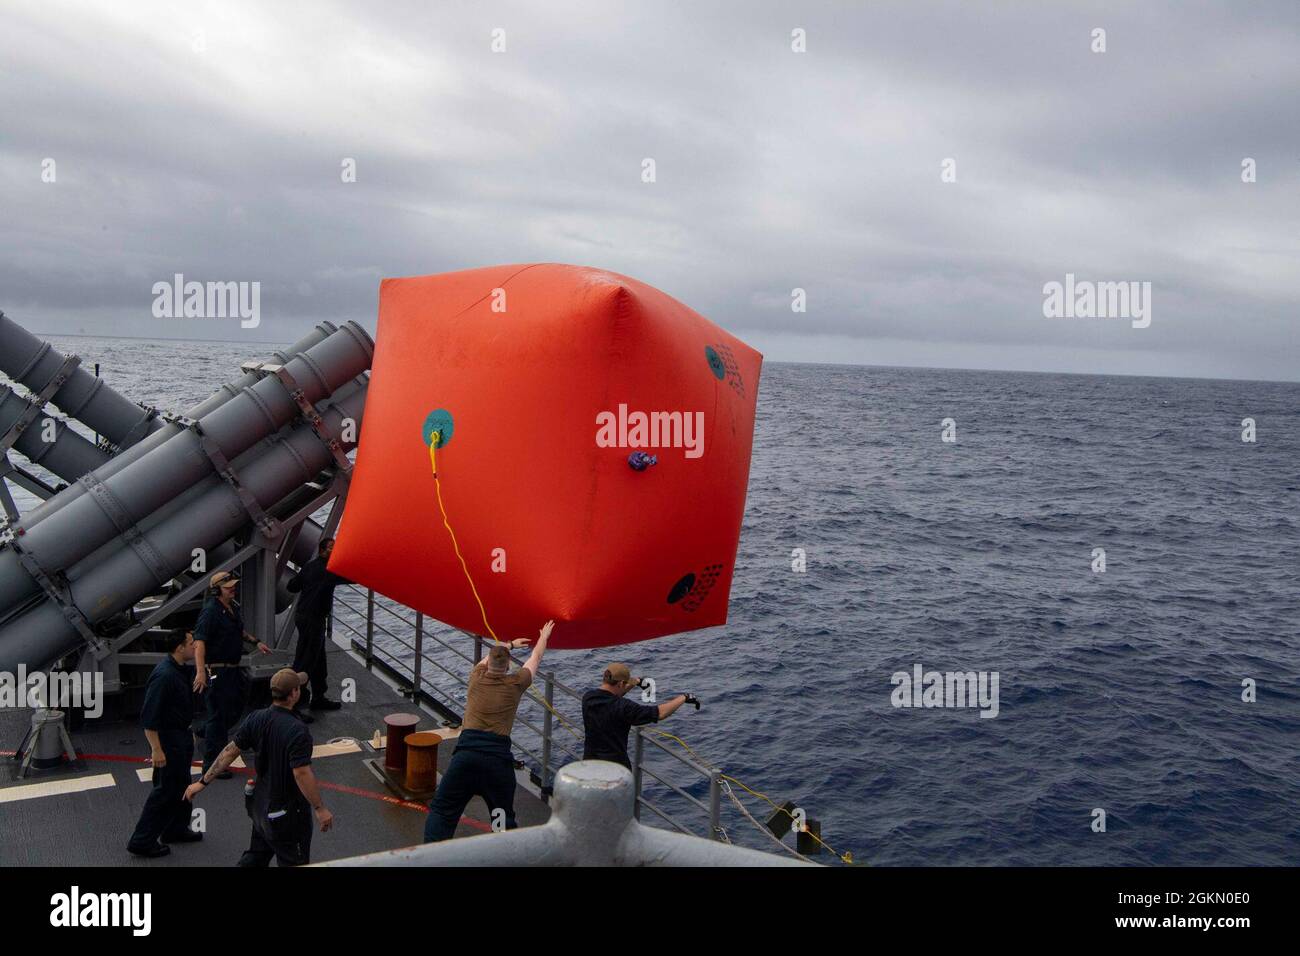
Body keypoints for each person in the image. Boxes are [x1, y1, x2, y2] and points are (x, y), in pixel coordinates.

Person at [185, 669, 333, 867]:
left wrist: (202, 783)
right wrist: (320, 808)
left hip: (260, 804)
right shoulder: (298, 730)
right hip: (288, 813)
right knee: (294, 861)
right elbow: (301, 773)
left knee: (257, 855)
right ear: (294, 693)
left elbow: (229, 751)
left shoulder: (256, 717)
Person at [423, 620, 554, 843]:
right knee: (501, 816)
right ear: (508, 667)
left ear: (488, 663)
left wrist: (509, 645)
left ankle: (431, 853)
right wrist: (543, 636)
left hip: (465, 759)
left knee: (442, 810)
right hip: (497, 764)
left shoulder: (476, 676)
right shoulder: (515, 683)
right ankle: (501, 852)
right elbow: (536, 658)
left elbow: (487, 659)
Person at [126, 628, 204, 858]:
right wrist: (156, 749)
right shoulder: (165, 676)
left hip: (180, 736)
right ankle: (141, 841)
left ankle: (175, 829)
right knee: (165, 791)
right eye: (191, 643)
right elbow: (149, 717)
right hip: (169, 742)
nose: (195, 646)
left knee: (181, 785)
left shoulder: (178, 670)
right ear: (179, 648)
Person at [193, 570, 271, 777]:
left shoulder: (231, 607)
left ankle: (205, 730)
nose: (233, 589)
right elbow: (199, 643)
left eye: (233, 586)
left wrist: (256, 642)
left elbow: (238, 630)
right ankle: (211, 764)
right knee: (219, 716)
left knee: (236, 707)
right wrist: (200, 672)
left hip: (232, 669)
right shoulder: (210, 612)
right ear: (217, 590)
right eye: (228, 587)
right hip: (217, 670)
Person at [581, 664, 692, 770]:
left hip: (590, 764)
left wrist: (636, 682)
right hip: (615, 769)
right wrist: (684, 698)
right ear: (620, 683)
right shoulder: (624, 707)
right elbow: (660, 713)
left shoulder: (588, 698)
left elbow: (613, 694)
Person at [286, 536, 348, 721]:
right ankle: (292, 706)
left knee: (318, 660)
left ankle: (319, 697)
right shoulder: (329, 570)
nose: (334, 551)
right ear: (322, 550)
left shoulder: (310, 566)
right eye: (331, 548)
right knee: (304, 662)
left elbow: (292, 586)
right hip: (313, 620)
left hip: (306, 617)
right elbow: (351, 577)